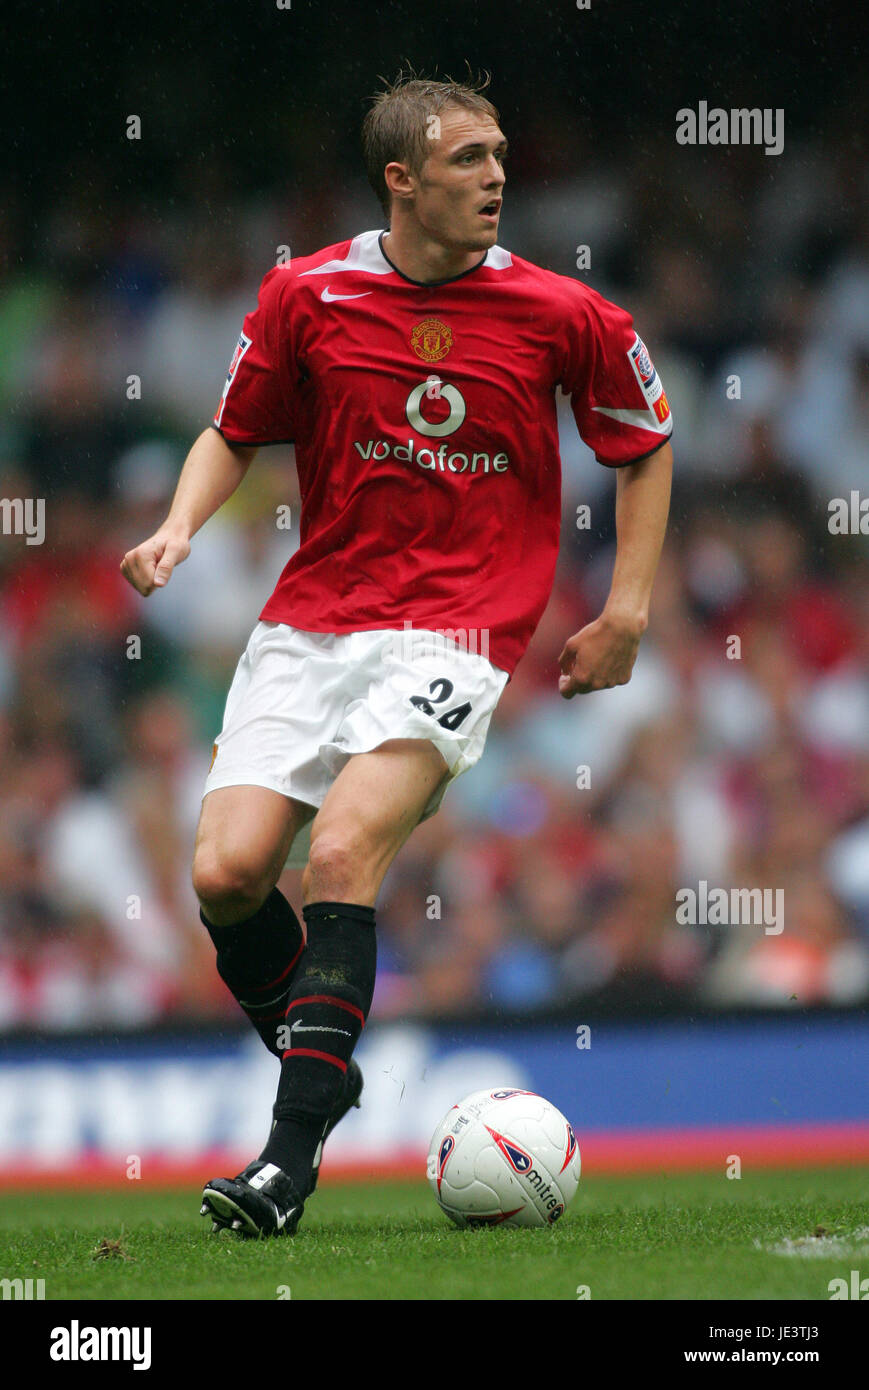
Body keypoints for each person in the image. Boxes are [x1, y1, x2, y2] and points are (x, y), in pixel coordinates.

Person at [120, 70, 674, 1237]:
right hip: (313, 617)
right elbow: (234, 429)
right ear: (401, 178)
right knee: (224, 875)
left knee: (348, 845)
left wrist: (623, 608)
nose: (495, 178)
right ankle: (326, 1069)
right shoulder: (304, 292)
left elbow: (641, 441)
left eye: (499, 156)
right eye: (468, 159)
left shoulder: (563, 313)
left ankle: (284, 1160)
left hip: (461, 627)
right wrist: (178, 526)